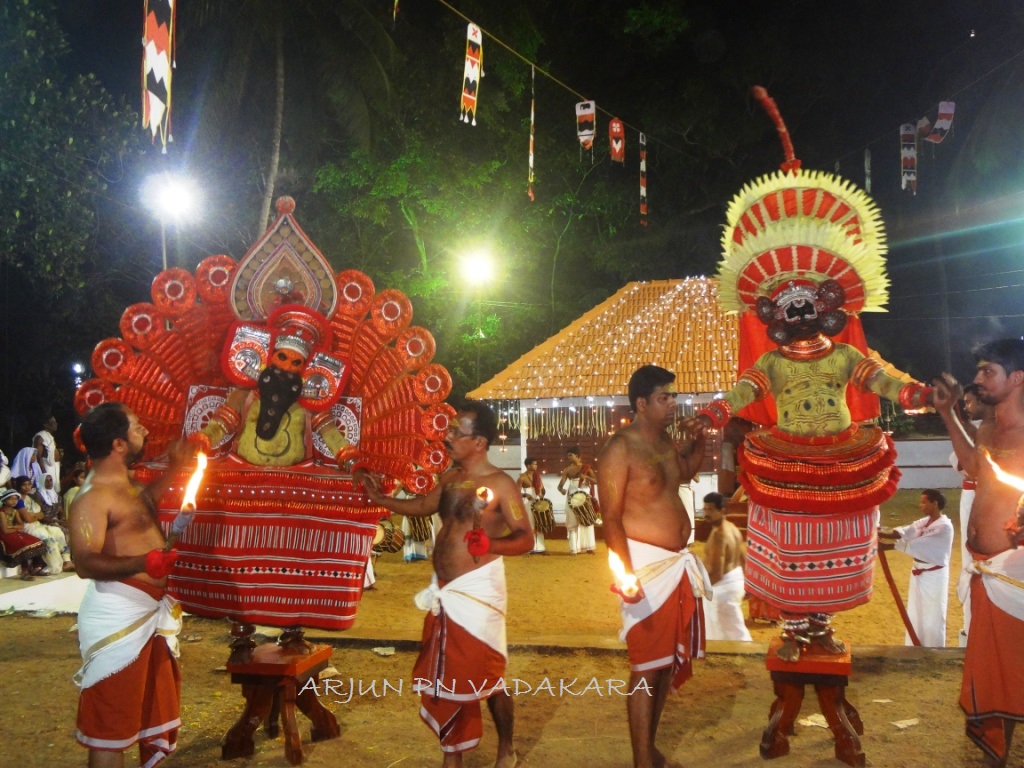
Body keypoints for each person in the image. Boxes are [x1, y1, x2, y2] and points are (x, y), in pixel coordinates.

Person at [359, 402, 532, 768]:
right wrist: (381, 500)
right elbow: (424, 505)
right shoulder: (452, 478)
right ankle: (452, 758)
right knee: (447, 673)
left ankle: (506, 748)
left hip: (479, 591)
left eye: (456, 432)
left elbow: (525, 537)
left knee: (488, 676)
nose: (447, 437)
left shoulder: (501, 484)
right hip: (445, 589)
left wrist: (491, 544)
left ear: (479, 442)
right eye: (448, 430)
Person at [69, 402, 195, 768]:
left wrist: (174, 469)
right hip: (120, 620)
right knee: (110, 729)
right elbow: (84, 562)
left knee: (142, 716)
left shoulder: (126, 485)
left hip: (147, 616)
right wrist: (144, 563)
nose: (146, 432)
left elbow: (141, 507)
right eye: (137, 427)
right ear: (118, 444)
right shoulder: (92, 497)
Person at [598, 365, 712, 768]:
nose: (673, 404)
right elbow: (610, 518)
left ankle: (648, 749)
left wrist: (699, 442)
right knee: (646, 667)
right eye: (665, 398)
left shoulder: (664, 440)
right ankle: (642, 760)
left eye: (674, 397)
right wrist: (625, 575)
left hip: (674, 565)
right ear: (642, 403)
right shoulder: (619, 449)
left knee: (662, 666)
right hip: (645, 569)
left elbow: (685, 473)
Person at [934, 338, 1024, 766]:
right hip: (986, 572)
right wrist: (947, 412)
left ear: (1017, 378)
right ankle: (996, 752)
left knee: (1015, 668)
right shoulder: (988, 428)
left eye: (988, 371)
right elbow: (974, 466)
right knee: (997, 669)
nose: (977, 379)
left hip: (1016, 575)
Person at [878, 489, 954, 647]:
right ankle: (914, 647)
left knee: (933, 616)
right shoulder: (925, 521)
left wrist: (889, 546)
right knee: (915, 612)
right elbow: (906, 531)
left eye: (924, 502)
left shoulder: (944, 527)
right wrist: (879, 531)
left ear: (935, 503)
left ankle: (933, 650)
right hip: (918, 571)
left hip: (934, 576)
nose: (920, 505)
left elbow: (920, 543)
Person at [949, 383, 993, 646]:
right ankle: (972, 630)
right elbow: (960, 464)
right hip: (973, 496)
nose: (966, 407)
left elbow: (969, 465)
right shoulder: (974, 430)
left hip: (991, 497)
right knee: (971, 560)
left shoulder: (996, 429)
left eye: (969, 402)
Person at [701, 492, 752, 642]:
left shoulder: (720, 535)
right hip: (734, 582)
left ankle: (748, 653)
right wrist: (747, 583)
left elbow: (717, 573)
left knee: (735, 632)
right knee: (730, 630)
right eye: (705, 509)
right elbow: (742, 557)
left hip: (723, 589)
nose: (706, 513)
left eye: (711, 510)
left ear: (722, 510)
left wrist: (699, 590)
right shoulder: (732, 528)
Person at [15, 474, 70, 573]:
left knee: (57, 532)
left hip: (37, 525)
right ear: (19, 486)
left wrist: (33, 515)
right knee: (48, 538)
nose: (27, 487)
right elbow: (28, 519)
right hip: (27, 527)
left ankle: (67, 561)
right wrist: (35, 516)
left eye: (29, 484)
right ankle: (53, 566)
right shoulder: (17, 500)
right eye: (24, 485)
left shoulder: (29, 498)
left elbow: (41, 514)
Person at [557, 446, 599, 555]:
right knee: (573, 521)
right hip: (572, 496)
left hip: (584, 495)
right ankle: (574, 548)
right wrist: (561, 490)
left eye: (570, 455)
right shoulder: (567, 470)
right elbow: (560, 486)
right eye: (568, 455)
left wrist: (586, 477)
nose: (568, 457)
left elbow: (596, 481)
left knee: (586, 519)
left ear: (577, 456)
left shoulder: (586, 467)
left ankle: (588, 546)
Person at [0, 487, 48, 580]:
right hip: (4, 535)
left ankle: (37, 567)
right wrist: (15, 528)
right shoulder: (1, 512)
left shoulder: (15, 511)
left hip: (13, 532)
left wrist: (12, 527)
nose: (14, 501)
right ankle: (24, 572)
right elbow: (5, 530)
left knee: (37, 541)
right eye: (11, 499)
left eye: (15, 499)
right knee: (23, 545)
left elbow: (21, 526)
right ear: (5, 501)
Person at [518, 457, 550, 554]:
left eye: (536, 464)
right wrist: (526, 495)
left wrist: (541, 494)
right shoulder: (522, 478)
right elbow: (516, 493)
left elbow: (543, 490)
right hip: (527, 504)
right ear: (528, 465)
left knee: (538, 523)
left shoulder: (537, 476)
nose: (536, 466)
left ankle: (540, 548)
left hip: (537, 503)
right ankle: (529, 548)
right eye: (534, 464)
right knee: (530, 524)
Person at [34, 414, 63, 493]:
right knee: (48, 491)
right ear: (45, 425)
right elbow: (38, 457)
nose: (56, 423)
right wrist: (45, 474)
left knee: (55, 492)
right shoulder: (41, 437)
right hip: (46, 468)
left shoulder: (50, 437)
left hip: (54, 468)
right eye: (53, 422)